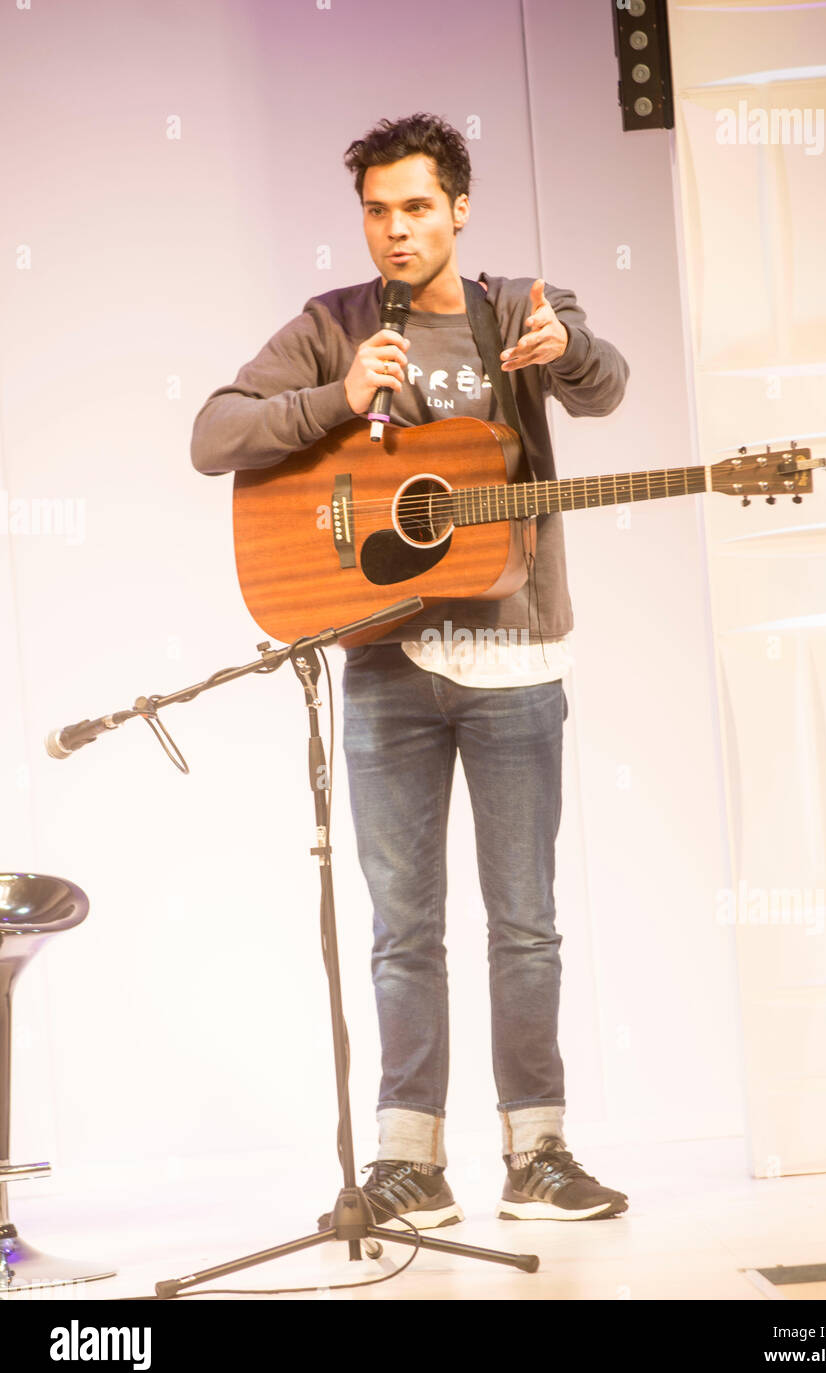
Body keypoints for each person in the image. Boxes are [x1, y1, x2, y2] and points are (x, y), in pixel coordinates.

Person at [191, 113, 630, 1227]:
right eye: (378, 211)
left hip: (517, 657)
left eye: (418, 208)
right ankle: (409, 1163)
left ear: (459, 208)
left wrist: (563, 353)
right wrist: (334, 401)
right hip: (387, 662)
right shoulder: (333, 326)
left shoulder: (520, 305)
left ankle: (537, 1152)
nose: (396, 230)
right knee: (402, 928)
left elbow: (605, 385)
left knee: (525, 920)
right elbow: (213, 435)